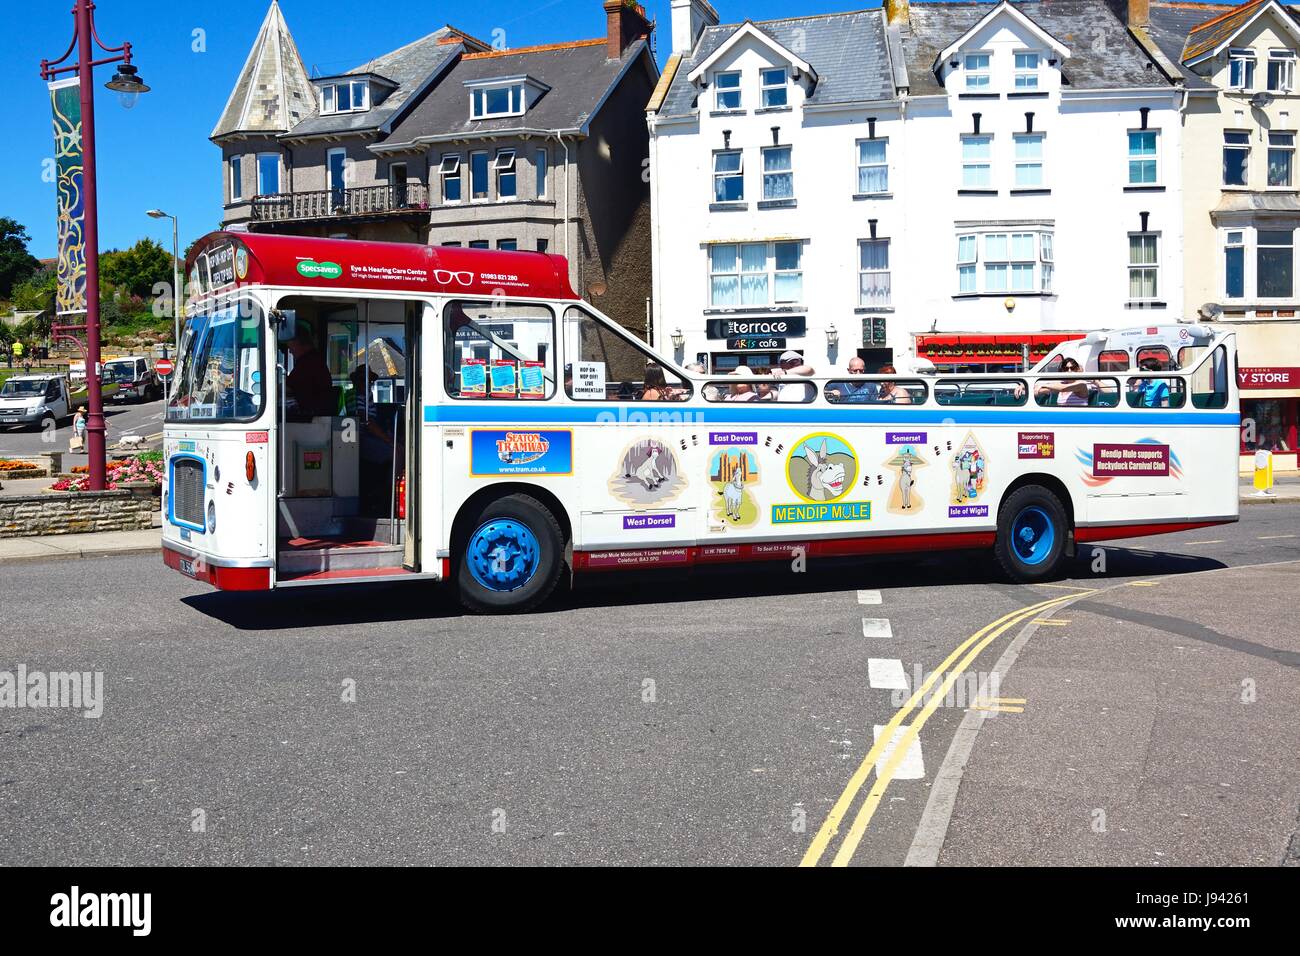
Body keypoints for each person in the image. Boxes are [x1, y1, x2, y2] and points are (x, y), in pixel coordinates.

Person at [285, 325, 335, 418]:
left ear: (297, 343)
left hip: (311, 416)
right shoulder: (313, 360)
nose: (290, 352)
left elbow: (289, 388)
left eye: (290, 347)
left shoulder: (308, 363)